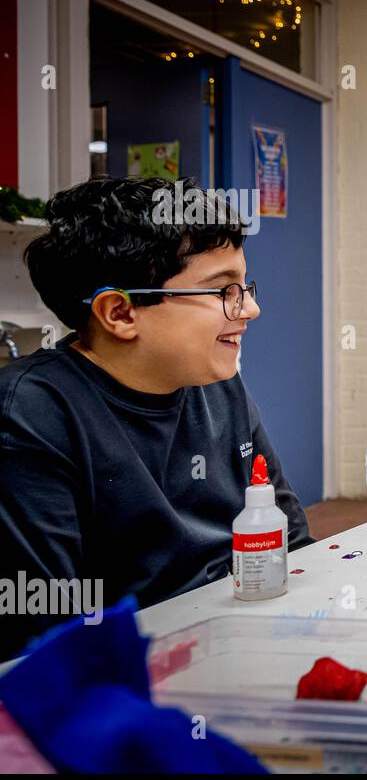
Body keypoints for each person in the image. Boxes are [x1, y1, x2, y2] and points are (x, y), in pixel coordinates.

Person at [0, 177, 311, 659]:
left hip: (237, 640)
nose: (250, 308)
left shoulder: (218, 384)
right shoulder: (32, 414)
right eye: (221, 290)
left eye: (244, 286)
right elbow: (50, 636)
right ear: (120, 312)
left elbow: (293, 542)